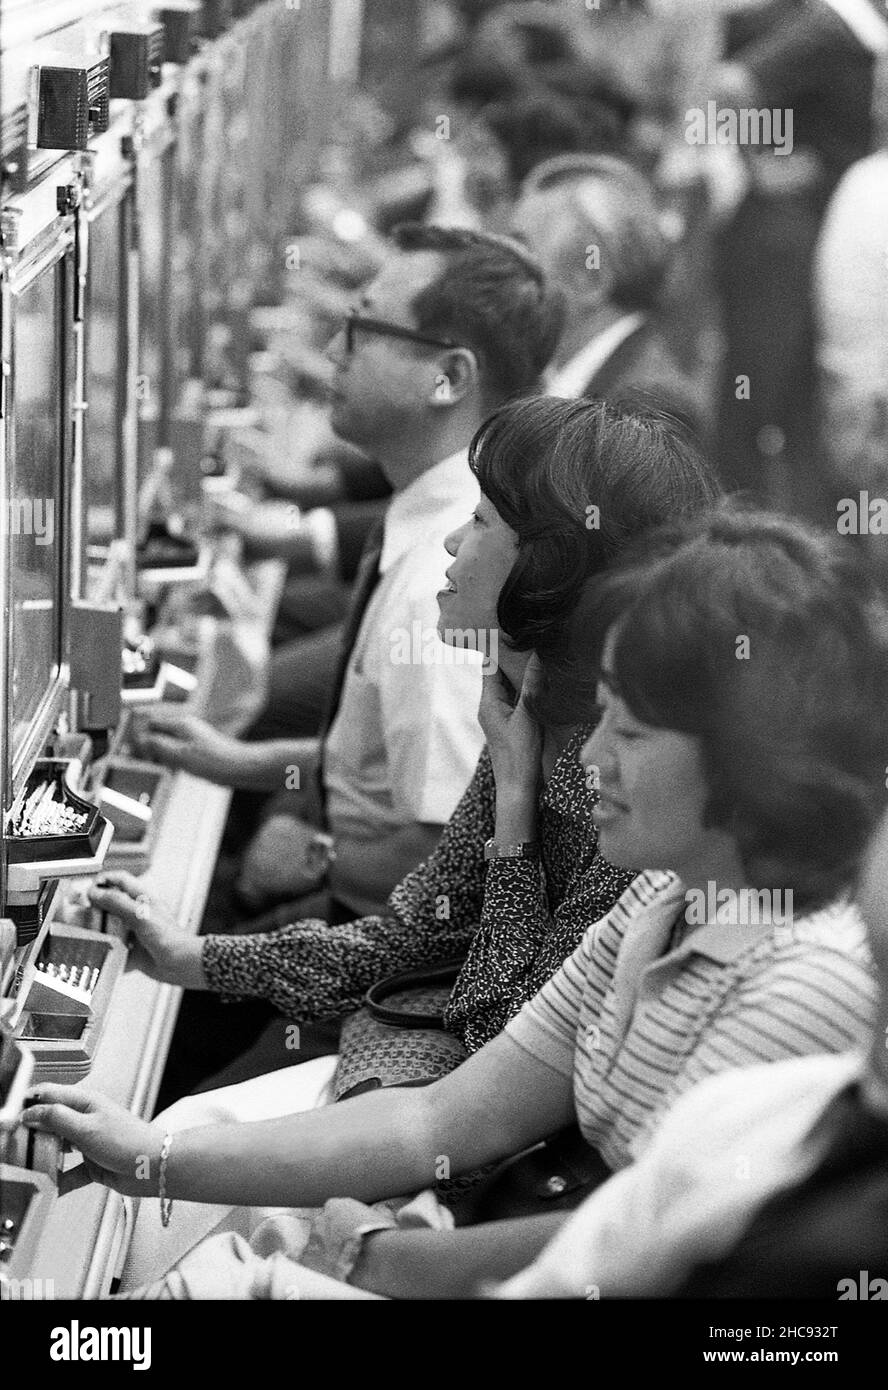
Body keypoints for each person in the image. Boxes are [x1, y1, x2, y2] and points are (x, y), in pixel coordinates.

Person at [25, 505, 886, 1297]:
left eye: (632, 732)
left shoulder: (801, 981)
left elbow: (623, 1245)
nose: (596, 761)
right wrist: (153, 1159)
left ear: (746, 760)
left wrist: (378, 1255)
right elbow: (447, 1114)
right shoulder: (666, 890)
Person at [142, 223, 566, 928]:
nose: (333, 351)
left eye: (362, 329)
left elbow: (442, 856)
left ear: (450, 377)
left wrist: (311, 858)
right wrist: (243, 762)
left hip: (379, 949)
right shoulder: (441, 507)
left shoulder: (447, 583)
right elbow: (386, 764)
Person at [510, 154, 710, 435]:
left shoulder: (649, 409)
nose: (498, 267)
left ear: (589, 280)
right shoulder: (547, 376)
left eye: (520, 251)